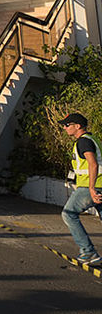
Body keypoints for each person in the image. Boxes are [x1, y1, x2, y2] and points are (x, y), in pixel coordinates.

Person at [59, 112, 102, 266]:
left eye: (67, 125)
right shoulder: (93, 139)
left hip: (91, 186)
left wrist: (91, 188)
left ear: (77, 126)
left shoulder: (83, 142)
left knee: (68, 214)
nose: (64, 128)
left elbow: (93, 164)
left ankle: (88, 252)